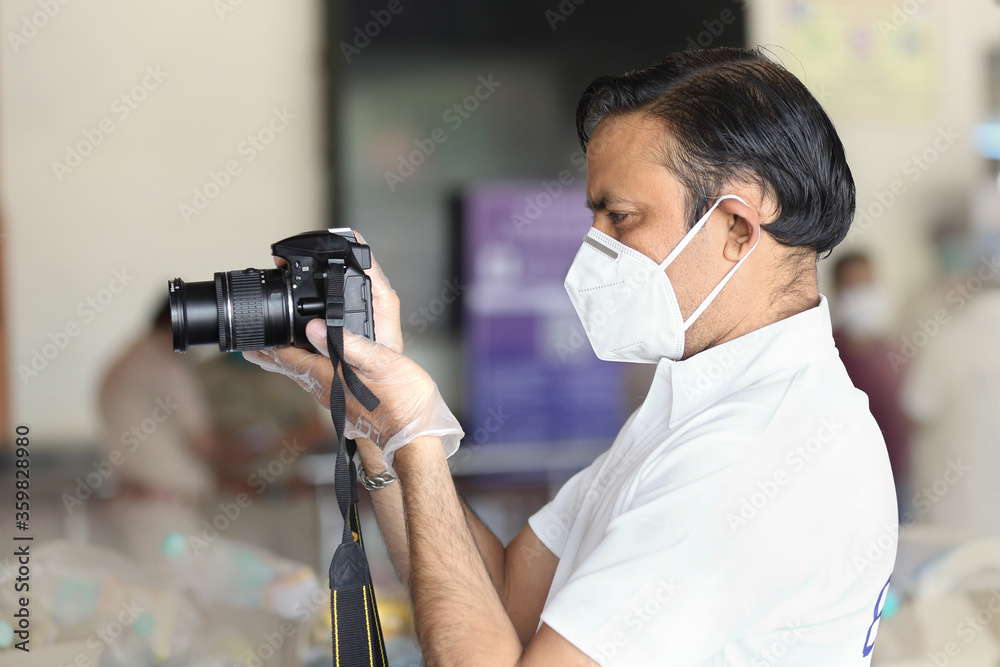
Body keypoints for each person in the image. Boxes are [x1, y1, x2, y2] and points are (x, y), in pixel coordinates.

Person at [244, 48, 897, 666]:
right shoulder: (704, 405)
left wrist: (417, 433)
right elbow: (500, 599)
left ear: (734, 228)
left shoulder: (759, 449)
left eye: (620, 218)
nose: (593, 248)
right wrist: (381, 429)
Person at [97, 299, 217, 565]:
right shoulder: (164, 366)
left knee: (149, 599)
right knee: (176, 601)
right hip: (165, 512)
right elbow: (205, 442)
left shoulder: (121, 363)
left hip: (135, 506)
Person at [831, 252, 911, 516]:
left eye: (869, 285)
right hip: (852, 485)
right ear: (839, 292)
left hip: (898, 478)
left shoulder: (891, 351)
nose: (865, 296)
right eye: (855, 287)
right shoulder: (831, 354)